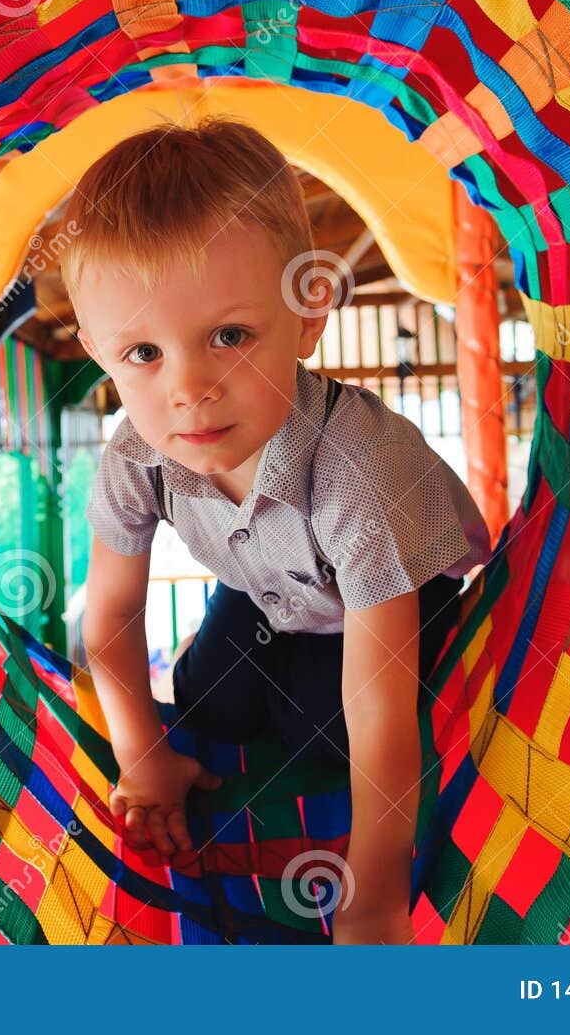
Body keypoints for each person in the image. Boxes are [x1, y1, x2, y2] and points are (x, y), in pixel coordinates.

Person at [63, 116, 492, 944]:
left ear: (307, 312)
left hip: (404, 594)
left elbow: (377, 702)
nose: (189, 389)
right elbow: (109, 614)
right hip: (268, 590)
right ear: (97, 352)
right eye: (143, 353)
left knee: (319, 726)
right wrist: (140, 757)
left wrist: (374, 891)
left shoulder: (354, 472)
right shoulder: (135, 456)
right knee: (204, 700)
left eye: (228, 336)